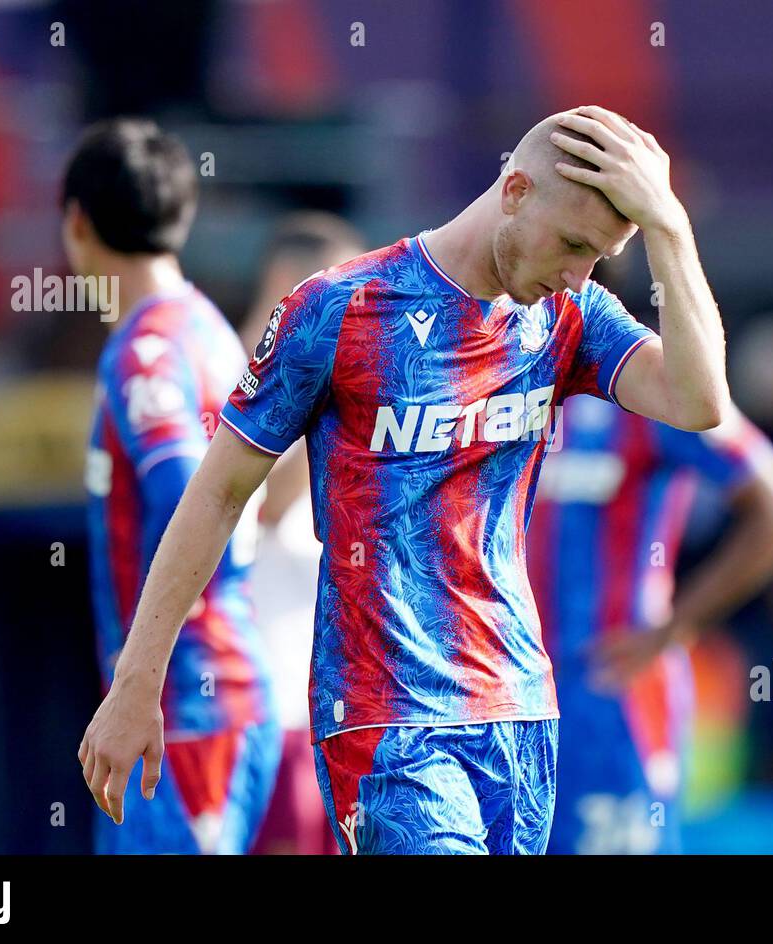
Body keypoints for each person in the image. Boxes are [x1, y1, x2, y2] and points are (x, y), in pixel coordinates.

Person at [80, 105, 731, 854]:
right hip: (388, 720)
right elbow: (217, 492)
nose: (579, 272)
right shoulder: (339, 307)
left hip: (520, 709)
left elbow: (699, 398)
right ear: (514, 191)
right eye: (575, 244)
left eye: (602, 254)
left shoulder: (570, 315)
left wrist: (671, 230)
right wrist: (137, 681)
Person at [69, 118, 279, 853]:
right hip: (203, 706)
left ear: (76, 223)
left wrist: (139, 686)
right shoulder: (208, 330)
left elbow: (191, 492)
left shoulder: (148, 351)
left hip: (183, 716)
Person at [528, 396, 773, 853]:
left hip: (613, 698)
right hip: (503, 697)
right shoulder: (498, 380)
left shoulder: (654, 385)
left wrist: (675, 628)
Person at [241, 213, 365, 855]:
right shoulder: (229, 379)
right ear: (298, 286)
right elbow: (255, 503)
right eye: (348, 289)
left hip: (322, 707)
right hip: (264, 699)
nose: (364, 306)